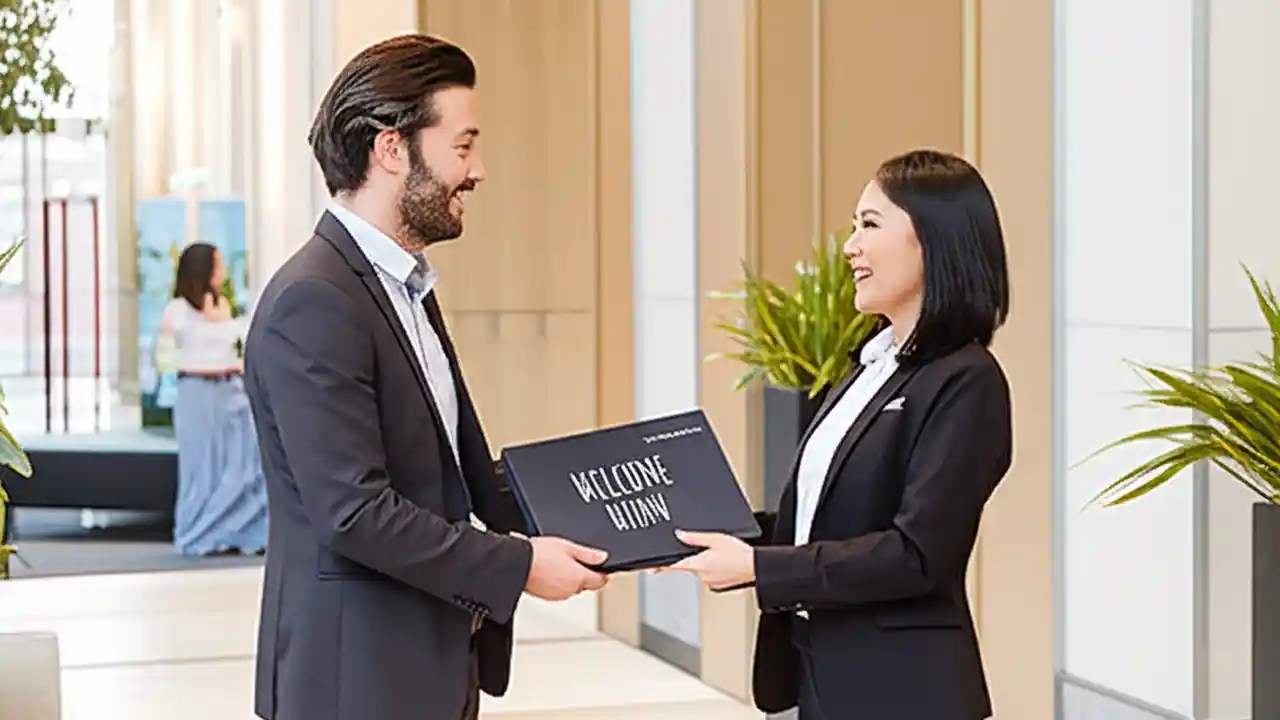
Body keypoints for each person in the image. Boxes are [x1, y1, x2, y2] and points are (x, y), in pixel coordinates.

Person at [242, 35, 609, 720]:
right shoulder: (315, 300)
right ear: (391, 149)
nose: (479, 170)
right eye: (463, 146)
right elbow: (354, 511)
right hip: (358, 681)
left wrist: (611, 497)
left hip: (428, 664)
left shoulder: (403, 290)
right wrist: (519, 565)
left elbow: (440, 477)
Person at [665, 149, 1012, 720]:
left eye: (869, 225)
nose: (849, 246)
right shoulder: (870, 366)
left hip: (905, 691)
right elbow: (822, 522)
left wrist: (759, 569)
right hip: (821, 672)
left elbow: (917, 555)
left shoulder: (967, 382)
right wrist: (717, 533)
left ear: (933, 241)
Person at [157, 242, 267, 557]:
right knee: (203, 467)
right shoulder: (177, 310)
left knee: (244, 465)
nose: (222, 271)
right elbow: (166, 357)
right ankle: (198, 533)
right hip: (197, 393)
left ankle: (242, 531)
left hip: (231, 391)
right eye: (217, 264)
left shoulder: (222, 306)